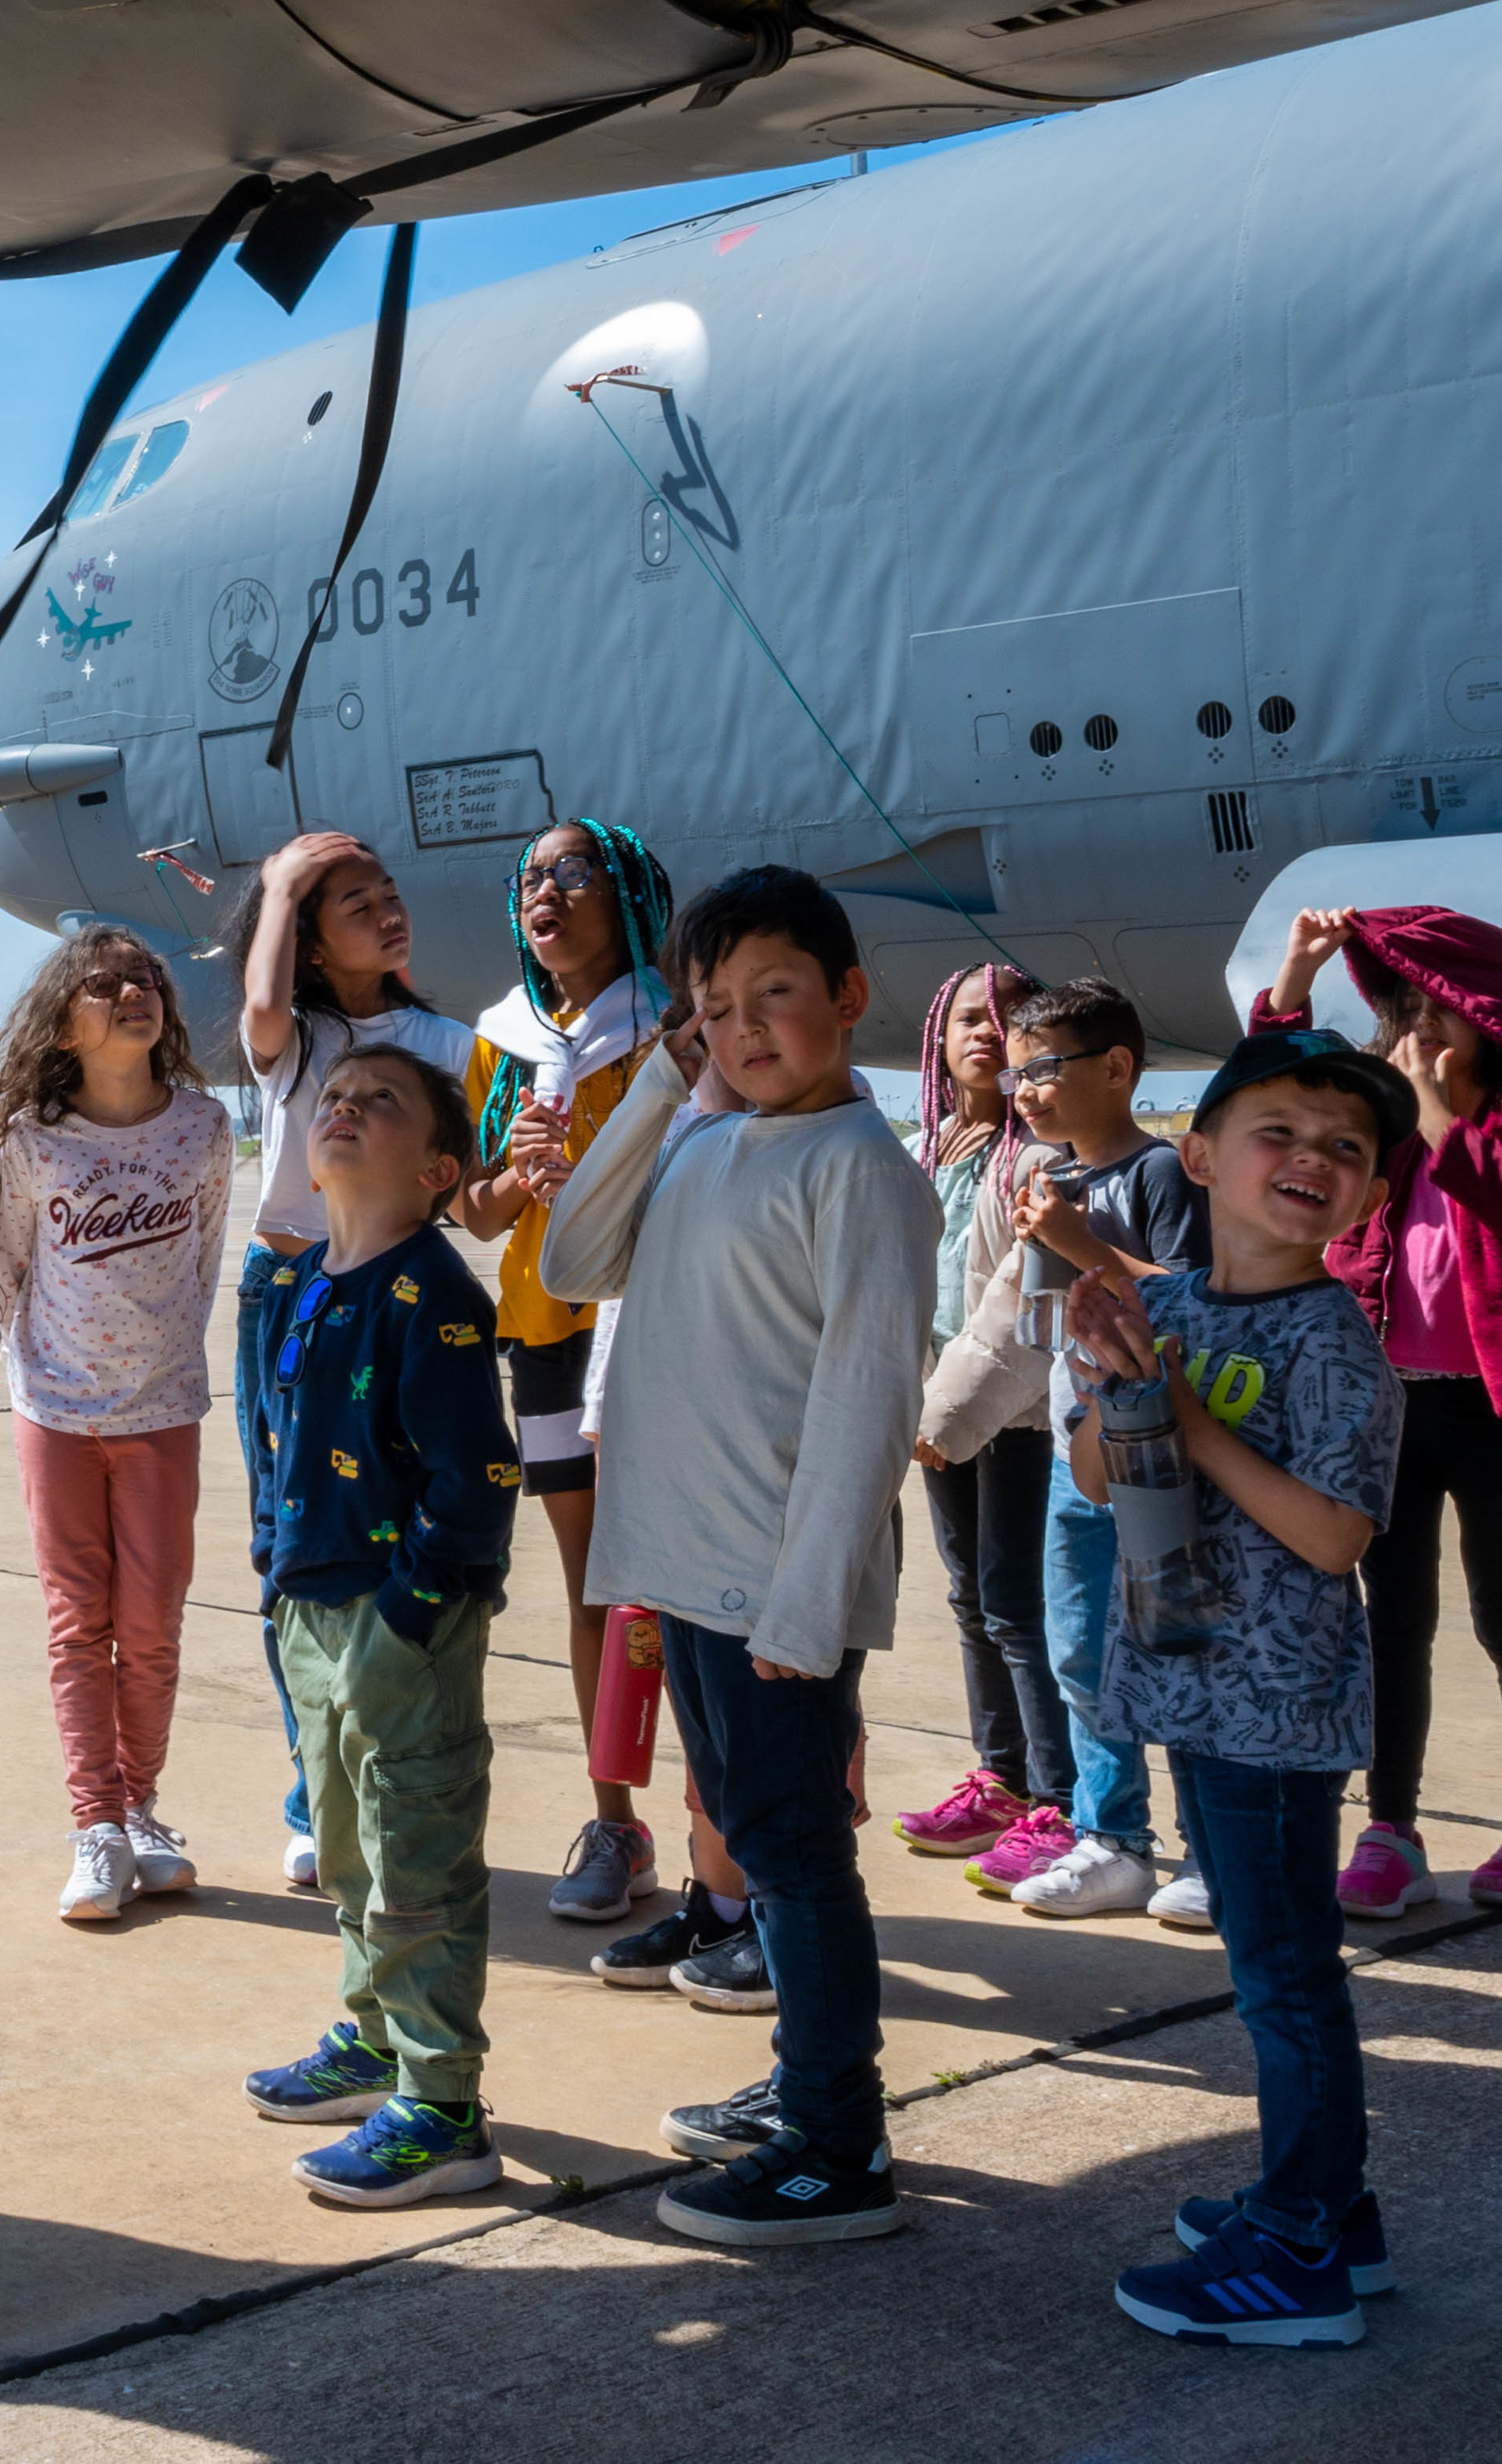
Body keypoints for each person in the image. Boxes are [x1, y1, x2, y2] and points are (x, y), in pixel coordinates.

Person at [545, 865, 937, 2246]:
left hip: (773, 1593)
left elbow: (866, 1401)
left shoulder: (863, 1174)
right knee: (763, 1851)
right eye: (712, 1007)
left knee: (795, 1855)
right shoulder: (709, 1141)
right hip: (689, 1570)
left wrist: (809, 1601)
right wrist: (660, 1085)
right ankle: (801, 2087)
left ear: (846, 998)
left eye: (775, 994)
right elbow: (577, 1252)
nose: (744, 1028)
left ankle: (839, 2143)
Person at [1071, 1028, 1412, 2347]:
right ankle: (1333, 2205)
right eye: (1278, 1130)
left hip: (1275, 1713)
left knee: (1284, 1978)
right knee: (1262, 1962)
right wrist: (1114, 1375)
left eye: (1345, 1146)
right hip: (1191, 1696)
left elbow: (1334, 1535)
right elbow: (1103, 1478)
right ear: (1200, 1157)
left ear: (1369, 1195)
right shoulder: (1164, 1308)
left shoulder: (1331, 1345)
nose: (1310, 1158)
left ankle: (1301, 2247)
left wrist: (1191, 1420)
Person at [0, 926, 232, 1923]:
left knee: (155, 1623)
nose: (134, 993)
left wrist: (160, 1362)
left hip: (165, 1410)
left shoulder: (203, 1128)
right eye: (105, 983)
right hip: (56, 1413)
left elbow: (204, 1262)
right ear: (63, 1023)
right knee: (81, 1623)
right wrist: (46, 1382)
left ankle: (142, 1810)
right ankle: (96, 1827)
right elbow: (18, 1269)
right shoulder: (33, 1142)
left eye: (148, 980)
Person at [1256, 904, 1502, 1919]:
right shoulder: (1382, 1119)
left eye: (1438, 1014)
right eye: (1404, 1013)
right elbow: (1274, 1095)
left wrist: (1441, 1111)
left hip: (1492, 1410)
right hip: (1388, 1406)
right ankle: (1390, 1829)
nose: (1418, 1035)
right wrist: (1294, 976)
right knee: (1393, 1621)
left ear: (1487, 1019)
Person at [233, 1048, 524, 2205]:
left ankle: (444, 2103)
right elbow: (277, 1439)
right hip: (311, 1606)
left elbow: (476, 1473)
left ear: (440, 1169)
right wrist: (276, 1570)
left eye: (381, 1102)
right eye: (334, 1097)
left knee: (418, 1851)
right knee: (348, 1846)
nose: (344, 1106)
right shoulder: (306, 1285)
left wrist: (410, 1610)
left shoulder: (435, 1291)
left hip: (402, 1616)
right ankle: (375, 2040)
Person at [927, 980, 1214, 1922]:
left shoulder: (1158, 1175)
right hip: (1075, 1458)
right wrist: (950, 1417)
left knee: (1176, 1653)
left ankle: (1210, 1853)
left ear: (1118, 1069)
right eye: (1017, 1074)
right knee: (1080, 1652)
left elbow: (1193, 1302)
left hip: (1164, 1466)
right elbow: (1027, 1325)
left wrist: (1077, 1241)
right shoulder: (1048, 1177)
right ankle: (1112, 1839)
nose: (1026, 1092)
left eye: (1045, 1069)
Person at [221, 832, 476, 1890]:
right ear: (311, 946)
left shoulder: (445, 1040)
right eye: (354, 903)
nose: (386, 910)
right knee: (288, 1546)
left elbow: (465, 1187)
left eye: (388, 894)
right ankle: (310, 1787)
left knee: (381, 1539)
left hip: (392, 1299)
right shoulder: (298, 1038)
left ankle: (379, 1766)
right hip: (287, 1292)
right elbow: (263, 1011)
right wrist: (278, 885)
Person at [451, 817, 677, 1924]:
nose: (547, 890)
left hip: (660, 1330)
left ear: (629, 892)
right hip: (548, 1333)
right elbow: (473, 1210)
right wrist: (519, 1175)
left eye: (575, 871)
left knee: (683, 1582)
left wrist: (596, 1168)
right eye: (532, 876)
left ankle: (732, 1829)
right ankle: (616, 1819)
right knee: (595, 1583)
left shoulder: (671, 1032)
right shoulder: (502, 1041)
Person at [890, 964, 1078, 1886]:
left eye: (1005, 1019)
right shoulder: (925, 1148)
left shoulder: (1039, 1152)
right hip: (939, 1415)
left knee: (1018, 1606)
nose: (985, 1032)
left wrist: (947, 1410)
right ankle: (1001, 1778)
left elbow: (1017, 1307)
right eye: (968, 1016)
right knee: (971, 1601)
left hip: (1016, 1416)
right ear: (938, 1032)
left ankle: (1060, 1798)